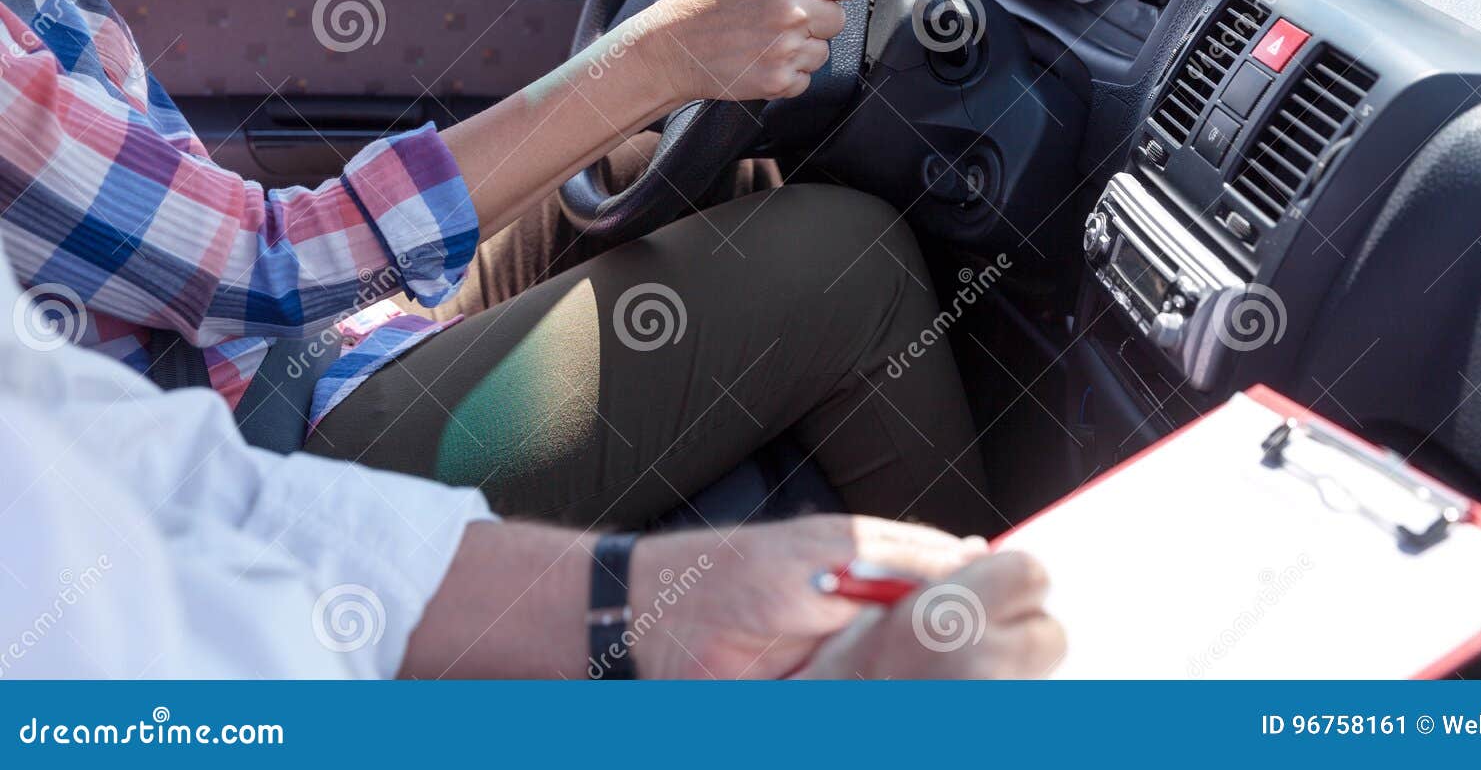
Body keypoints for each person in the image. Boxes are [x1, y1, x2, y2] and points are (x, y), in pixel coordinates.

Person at [0, 0, 992, 535]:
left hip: (294, 354)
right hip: (255, 473)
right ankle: (999, 678)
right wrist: (661, 53)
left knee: (686, 162)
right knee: (846, 263)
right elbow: (263, 265)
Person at [0, 239, 1065, 679]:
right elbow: (256, 255)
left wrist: (638, 600)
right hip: (306, 404)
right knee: (846, 257)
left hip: (311, 371)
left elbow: (167, 473)